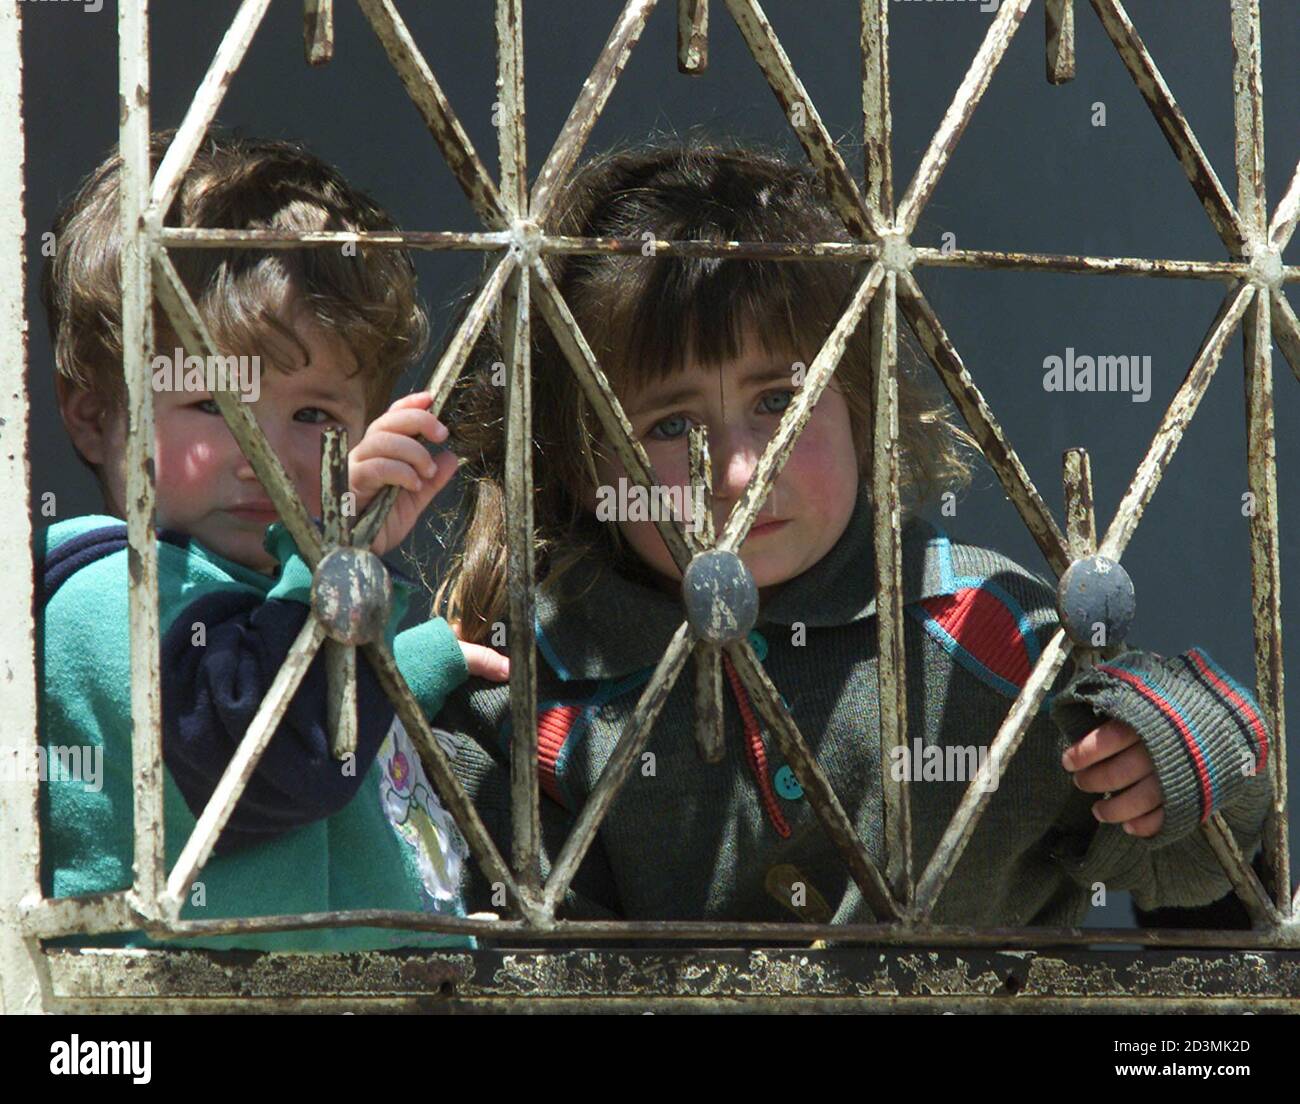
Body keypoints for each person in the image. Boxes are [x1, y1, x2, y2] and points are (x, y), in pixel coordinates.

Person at [426, 141, 1272, 930]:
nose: (738, 472)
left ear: (861, 407)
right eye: (669, 425)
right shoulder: (531, 693)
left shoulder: (982, 632)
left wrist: (1182, 754)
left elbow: (1210, 882)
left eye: (778, 402)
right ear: (580, 466)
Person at [37, 130, 508, 951]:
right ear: (92, 415)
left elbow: (310, 691)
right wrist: (334, 576)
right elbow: (272, 752)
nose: (269, 460)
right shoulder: (110, 595)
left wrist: (420, 657)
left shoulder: (271, 584)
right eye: (215, 406)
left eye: (315, 416)